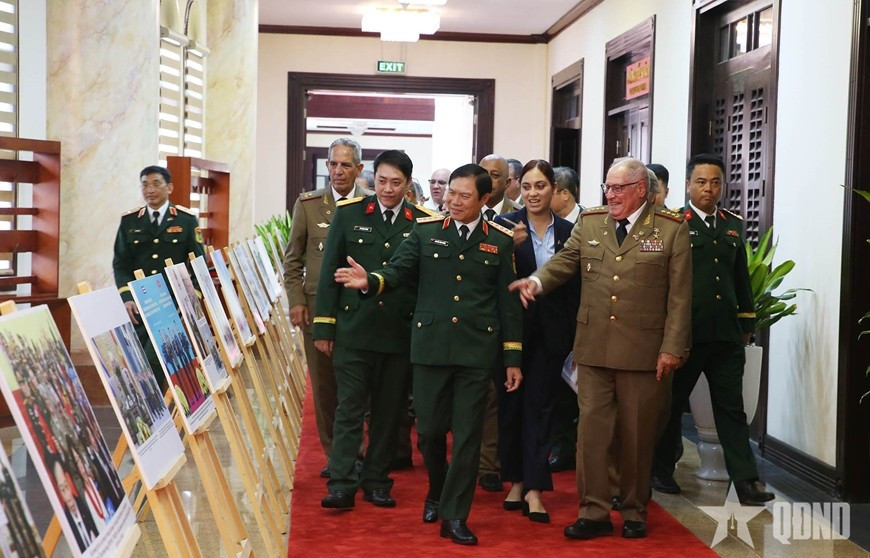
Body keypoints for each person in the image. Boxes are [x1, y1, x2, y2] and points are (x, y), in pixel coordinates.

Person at [334, 163, 523, 545]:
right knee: (431, 434)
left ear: (484, 199)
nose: (453, 201)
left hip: (475, 352)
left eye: (464, 195)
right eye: (451, 192)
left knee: (468, 436)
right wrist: (370, 281)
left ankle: (454, 515)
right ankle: (437, 488)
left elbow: (508, 304)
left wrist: (512, 358)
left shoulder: (499, 241)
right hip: (430, 348)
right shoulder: (425, 232)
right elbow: (398, 270)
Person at [510, 157, 692, 540]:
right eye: (607, 188)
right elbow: (565, 262)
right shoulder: (591, 222)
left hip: (643, 353)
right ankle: (593, 510)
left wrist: (671, 348)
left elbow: (680, 298)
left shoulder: (671, 229)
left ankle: (633, 509)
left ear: (640, 189)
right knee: (591, 435)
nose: (610, 195)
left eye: (618, 189)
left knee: (637, 437)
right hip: (592, 350)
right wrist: (537, 282)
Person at [313, 150, 434, 510]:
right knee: (349, 408)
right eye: (382, 181)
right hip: (354, 329)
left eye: (396, 183)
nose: (388, 189)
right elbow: (329, 273)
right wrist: (325, 326)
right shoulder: (350, 214)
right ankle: (342, 482)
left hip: (398, 333)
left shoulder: (423, 222)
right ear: (372, 178)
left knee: (388, 411)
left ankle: (378, 479)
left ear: (408, 184)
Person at [652, 154, 775, 505]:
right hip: (686, 336)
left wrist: (746, 325)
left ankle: (747, 482)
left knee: (731, 409)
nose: (709, 189)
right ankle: (661, 469)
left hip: (725, 336)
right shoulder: (673, 224)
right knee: (671, 406)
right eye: (701, 182)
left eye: (715, 182)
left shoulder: (732, 224)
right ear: (689, 185)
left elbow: (740, 279)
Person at [495, 160, 579, 524]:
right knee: (510, 407)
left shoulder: (570, 230)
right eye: (527, 186)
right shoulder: (502, 226)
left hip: (553, 334)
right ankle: (514, 481)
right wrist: (505, 250)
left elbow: (574, 283)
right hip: (511, 333)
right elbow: (490, 281)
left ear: (555, 190)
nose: (533, 193)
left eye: (541, 186)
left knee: (540, 407)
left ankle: (534, 489)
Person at [283, 137, 371, 477]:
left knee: (358, 384)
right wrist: (296, 301)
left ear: (359, 169)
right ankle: (336, 455)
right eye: (333, 164)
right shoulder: (308, 205)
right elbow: (293, 261)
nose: (337, 171)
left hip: (359, 310)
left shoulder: (370, 204)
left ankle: (357, 453)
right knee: (324, 386)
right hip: (318, 308)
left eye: (346, 165)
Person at [113, 165, 205, 389]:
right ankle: (157, 409)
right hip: (139, 304)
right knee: (140, 361)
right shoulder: (130, 222)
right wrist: (126, 296)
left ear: (169, 187)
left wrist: (191, 301)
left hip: (172, 305)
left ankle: (165, 409)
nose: (150, 190)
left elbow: (197, 266)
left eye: (156, 184)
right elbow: (121, 264)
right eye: (145, 185)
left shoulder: (186, 221)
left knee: (158, 359)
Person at [477, 153, 522, 492]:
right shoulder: (460, 211)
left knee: (496, 397)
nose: (488, 181)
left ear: (507, 183)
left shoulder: (519, 220)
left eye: (495, 176)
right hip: (469, 319)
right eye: (483, 174)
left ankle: (489, 464)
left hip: (504, 319)